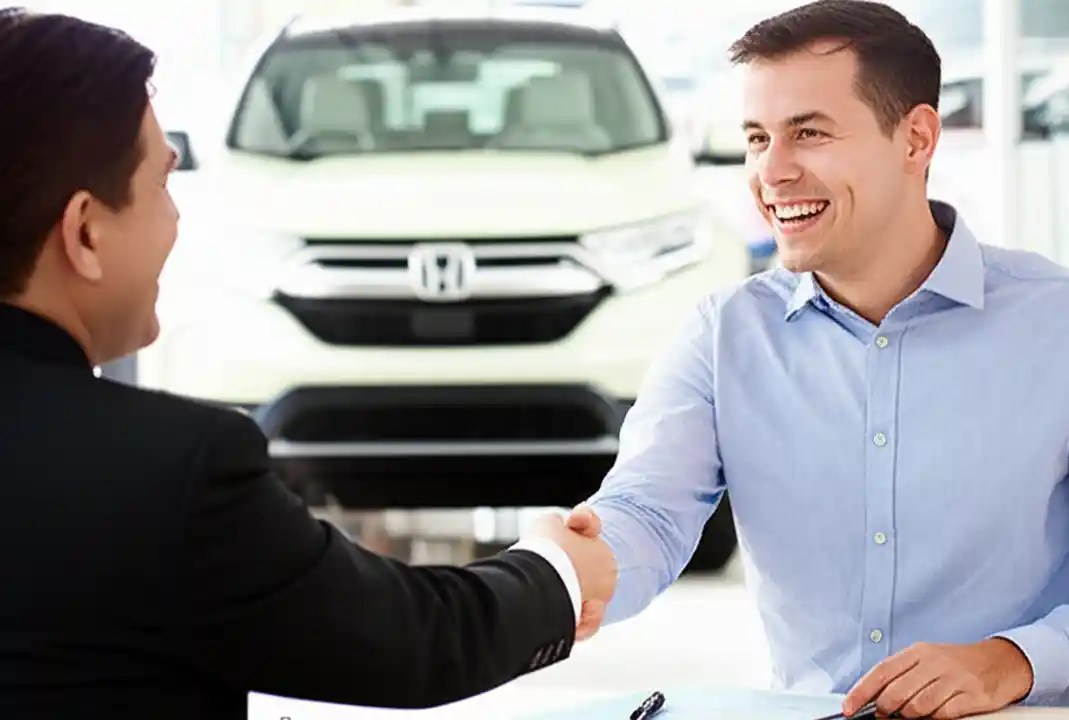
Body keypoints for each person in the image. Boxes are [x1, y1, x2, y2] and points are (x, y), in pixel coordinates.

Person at [563, 1, 1069, 717]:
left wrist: (1013, 661)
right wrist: (573, 569)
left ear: (916, 139)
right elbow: (646, 518)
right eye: (757, 139)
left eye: (808, 134)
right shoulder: (721, 338)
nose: (771, 172)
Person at [0, 9, 615, 718]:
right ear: (84, 231)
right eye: (164, 184)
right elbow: (410, 642)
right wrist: (556, 573)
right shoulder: (165, 472)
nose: (175, 220)